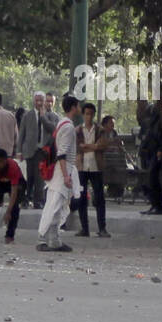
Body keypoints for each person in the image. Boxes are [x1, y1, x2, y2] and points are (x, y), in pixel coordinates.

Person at [36, 94, 81, 252]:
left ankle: (52, 240)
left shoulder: (62, 123)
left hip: (59, 169)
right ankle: (49, 239)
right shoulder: (68, 127)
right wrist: (66, 176)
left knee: (55, 204)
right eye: (78, 106)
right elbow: (62, 153)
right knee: (56, 205)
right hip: (63, 169)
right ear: (74, 107)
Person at [73, 101, 111, 237]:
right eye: (87, 114)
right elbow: (78, 146)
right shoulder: (77, 130)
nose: (89, 117)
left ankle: (102, 228)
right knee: (81, 198)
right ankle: (85, 228)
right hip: (82, 167)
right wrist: (93, 146)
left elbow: (102, 145)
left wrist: (88, 146)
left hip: (96, 166)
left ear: (94, 115)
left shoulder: (100, 130)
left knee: (99, 198)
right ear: (83, 115)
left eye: (91, 114)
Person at [17, 92, 57, 209]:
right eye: (37, 100)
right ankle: (26, 198)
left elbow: (52, 129)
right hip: (29, 150)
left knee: (40, 177)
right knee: (28, 177)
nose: (39, 103)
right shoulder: (27, 115)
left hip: (43, 151)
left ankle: (38, 201)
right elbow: (22, 134)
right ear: (33, 101)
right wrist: (19, 151)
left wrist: (43, 116)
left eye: (41, 100)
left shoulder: (51, 116)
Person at [138, 99, 162, 215]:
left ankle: (160, 206)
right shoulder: (155, 114)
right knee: (150, 177)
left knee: (153, 176)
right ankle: (155, 204)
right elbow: (149, 131)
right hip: (151, 149)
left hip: (158, 150)